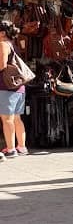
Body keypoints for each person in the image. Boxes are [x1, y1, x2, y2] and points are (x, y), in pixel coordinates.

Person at [0, 21, 27, 158]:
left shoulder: (3, 44)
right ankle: (21, 147)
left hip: (6, 87)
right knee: (17, 118)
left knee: (7, 119)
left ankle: (11, 149)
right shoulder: (13, 45)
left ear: (2, 33)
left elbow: (2, 65)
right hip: (18, 87)